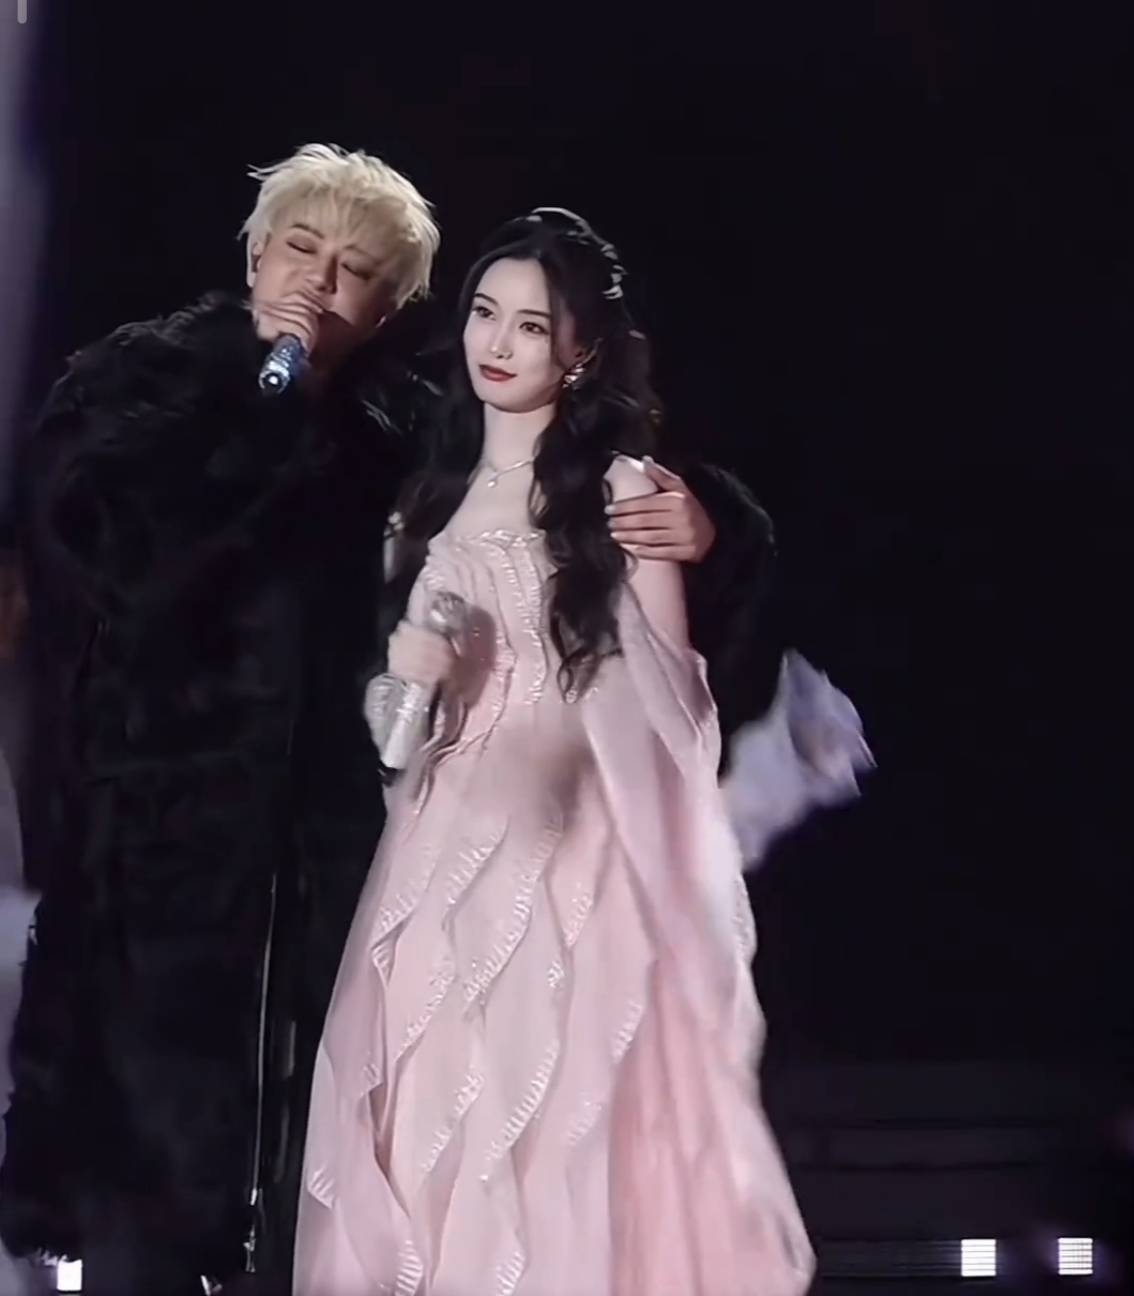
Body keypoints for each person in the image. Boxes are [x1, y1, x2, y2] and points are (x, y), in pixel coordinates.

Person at [0, 150, 782, 1295]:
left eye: (357, 269)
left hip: (349, 864)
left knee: (328, 1198)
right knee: (148, 1213)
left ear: (393, 305)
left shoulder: (406, 434)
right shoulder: (133, 391)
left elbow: (553, 501)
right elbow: (99, 558)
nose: (320, 283)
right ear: (256, 252)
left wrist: (714, 528)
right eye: (302, 249)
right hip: (163, 871)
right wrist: (260, 399)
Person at [293, 209, 824, 1296]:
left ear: (579, 353)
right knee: (430, 1132)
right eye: (485, 313)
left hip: (571, 868)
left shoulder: (621, 493)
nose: (497, 343)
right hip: (435, 863)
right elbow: (393, 743)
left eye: (531, 326)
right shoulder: (422, 506)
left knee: (550, 1141)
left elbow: (676, 708)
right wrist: (412, 678)